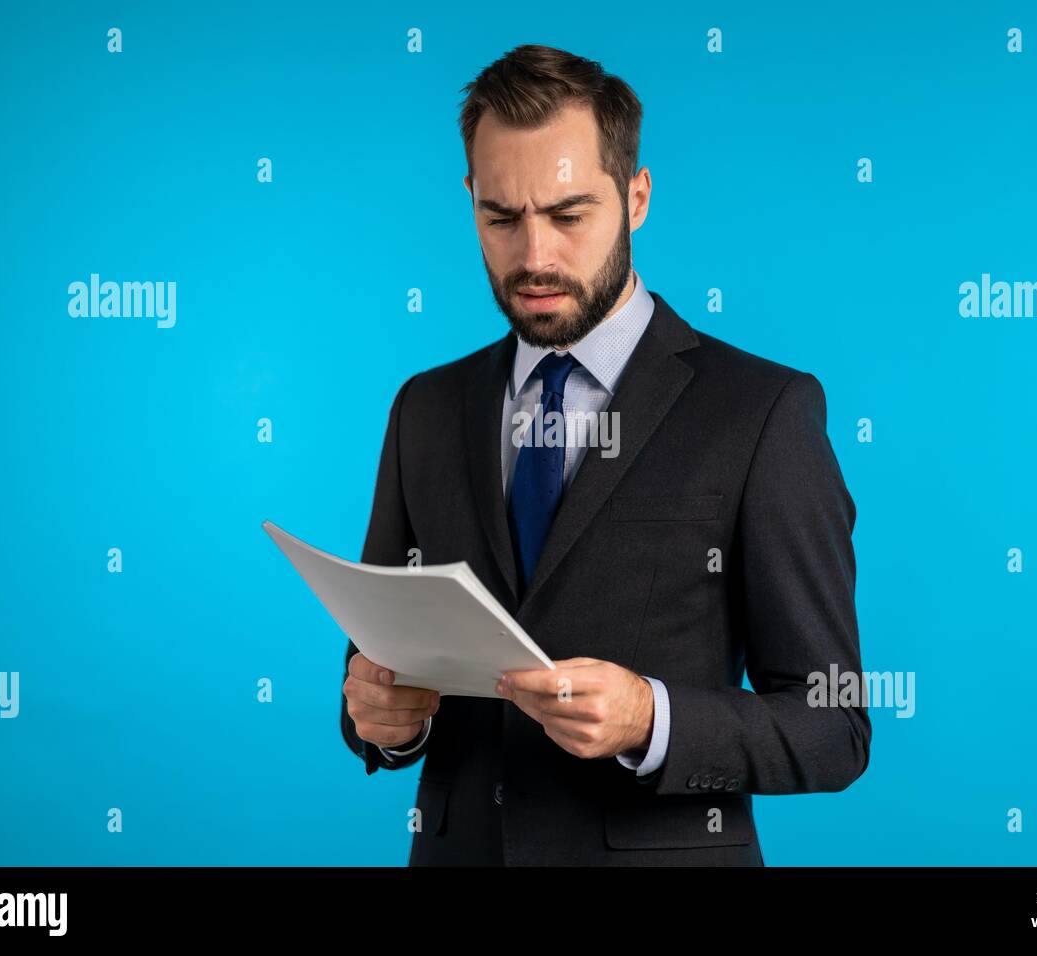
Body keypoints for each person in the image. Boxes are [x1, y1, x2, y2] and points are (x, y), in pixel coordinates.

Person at [341, 44, 870, 866]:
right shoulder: (425, 409)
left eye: (568, 213)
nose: (535, 257)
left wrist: (651, 720)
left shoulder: (762, 411)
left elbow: (833, 727)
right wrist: (379, 721)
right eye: (501, 218)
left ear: (636, 197)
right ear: (469, 201)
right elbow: (377, 674)